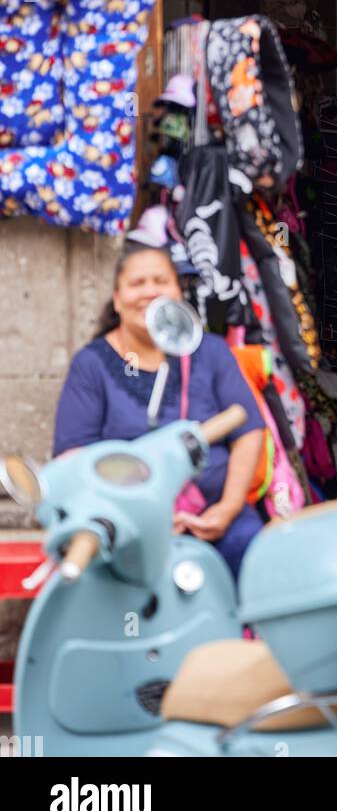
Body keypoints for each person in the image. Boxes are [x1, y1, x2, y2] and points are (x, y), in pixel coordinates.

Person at [53, 241, 266, 581]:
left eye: (160, 281)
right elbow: (72, 455)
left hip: (214, 517)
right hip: (126, 523)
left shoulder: (210, 352)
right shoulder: (91, 364)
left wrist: (227, 508)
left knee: (252, 555)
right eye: (137, 284)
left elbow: (248, 428)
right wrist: (141, 514)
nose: (150, 291)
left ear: (177, 292)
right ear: (118, 298)